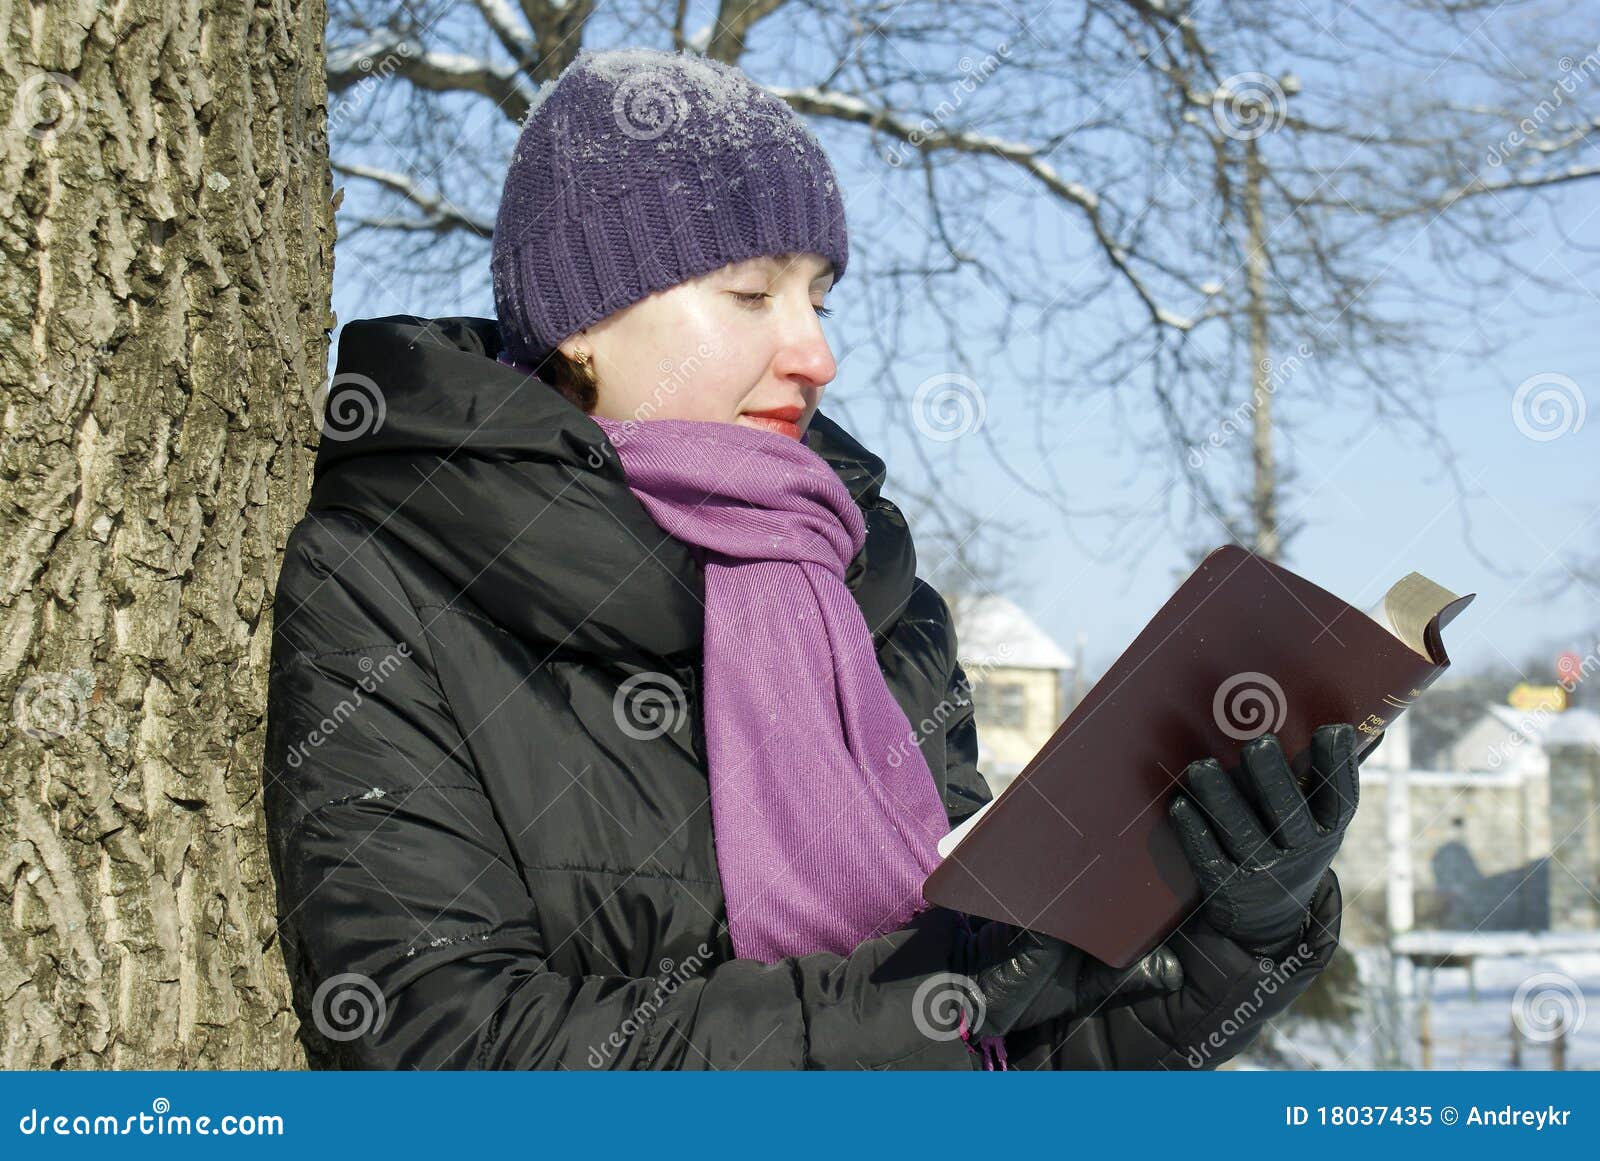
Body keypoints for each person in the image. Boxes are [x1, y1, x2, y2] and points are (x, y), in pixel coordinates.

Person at [261, 46, 1361, 1071]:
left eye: (820, 298)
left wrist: (1234, 937)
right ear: (581, 320)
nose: (818, 354)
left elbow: (1016, 1052)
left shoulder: (873, 592)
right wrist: (920, 1003)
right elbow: (442, 1041)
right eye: (751, 295)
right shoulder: (391, 572)